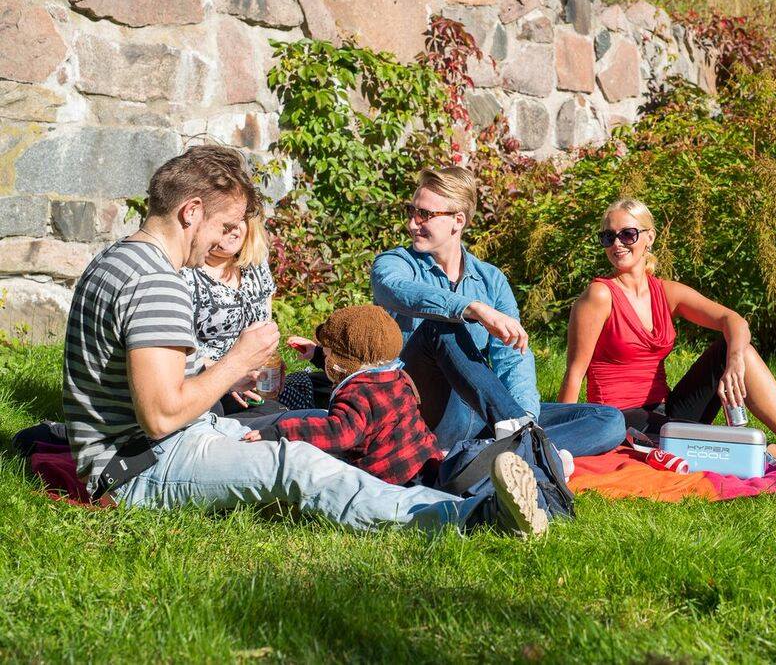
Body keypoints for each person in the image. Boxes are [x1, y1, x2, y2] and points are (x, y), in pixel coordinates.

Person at [60, 145, 547, 537]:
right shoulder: (156, 281)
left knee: (306, 432)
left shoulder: (117, 260)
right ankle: (471, 519)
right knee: (299, 466)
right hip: (139, 469)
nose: (225, 242)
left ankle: (467, 494)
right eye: (226, 227)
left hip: (157, 445)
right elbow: (161, 414)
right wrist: (235, 361)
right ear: (190, 211)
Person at [557, 198, 776, 467]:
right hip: (622, 420)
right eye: (608, 237)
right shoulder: (599, 295)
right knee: (729, 447)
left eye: (627, 235)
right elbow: (574, 373)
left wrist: (733, 364)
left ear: (649, 238)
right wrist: (558, 443)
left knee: (733, 347)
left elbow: (733, 320)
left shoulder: (666, 292)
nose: (617, 244)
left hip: (665, 411)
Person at [370, 167, 626, 456]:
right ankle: (532, 451)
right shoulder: (395, 263)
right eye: (411, 211)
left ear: (458, 221)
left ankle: (505, 448)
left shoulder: (490, 279)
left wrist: (526, 414)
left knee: (609, 420)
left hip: (484, 412)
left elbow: (513, 356)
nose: (413, 223)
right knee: (440, 326)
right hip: (422, 412)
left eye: (425, 215)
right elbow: (392, 288)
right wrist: (471, 308)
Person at [243, 305, 444, 486]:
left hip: (391, 480)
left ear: (342, 362)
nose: (327, 357)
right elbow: (349, 366)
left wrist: (278, 432)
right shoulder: (395, 377)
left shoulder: (357, 393)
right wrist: (317, 354)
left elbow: (339, 433)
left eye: (329, 354)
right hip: (425, 464)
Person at [180, 209, 282, 415]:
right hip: (207, 385)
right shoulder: (186, 274)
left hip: (255, 382)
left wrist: (271, 363)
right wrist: (227, 376)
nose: (233, 228)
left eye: (239, 219)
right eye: (224, 223)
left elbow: (265, 325)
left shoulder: (256, 262)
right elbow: (181, 355)